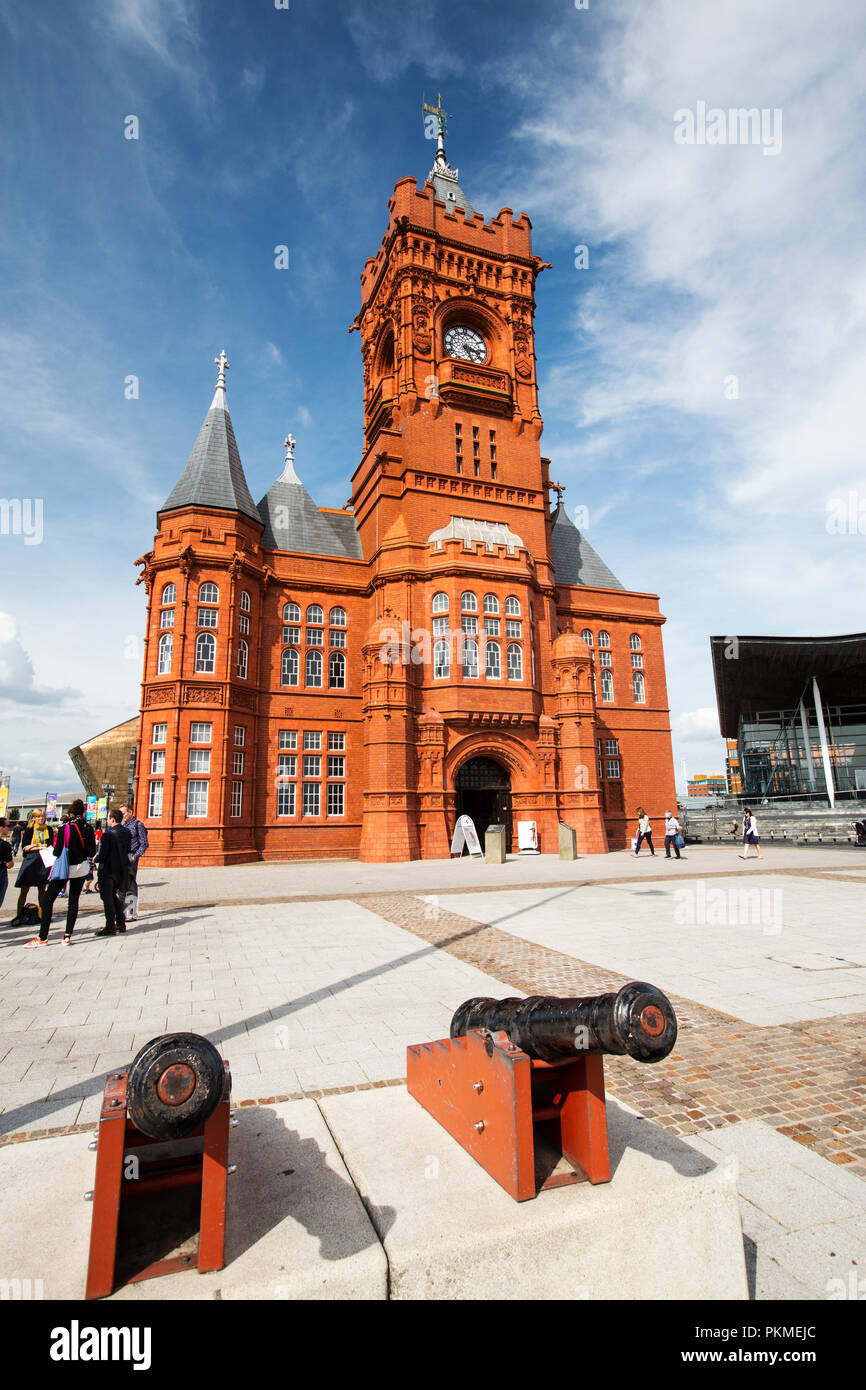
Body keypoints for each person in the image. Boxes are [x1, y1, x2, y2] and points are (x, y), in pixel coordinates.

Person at [26, 799, 97, 947]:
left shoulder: (66, 828)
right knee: (73, 900)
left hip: (66, 867)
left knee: (48, 900)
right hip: (82, 868)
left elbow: (58, 851)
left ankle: (43, 937)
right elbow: (91, 851)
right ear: (82, 812)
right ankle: (67, 936)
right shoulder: (89, 828)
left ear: (71, 813)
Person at [11, 810, 54, 926]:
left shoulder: (48, 829)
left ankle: (43, 914)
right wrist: (39, 845)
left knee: (42, 889)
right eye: (38, 817)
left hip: (43, 860)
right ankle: (19, 915)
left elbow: (49, 845)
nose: (41, 819)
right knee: (24, 889)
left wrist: (34, 846)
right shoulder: (30, 829)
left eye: (42, 816)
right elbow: (25, 847)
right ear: (34, 818)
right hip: (31, 861)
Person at [95, 809, 132, 937]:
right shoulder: (127, 832)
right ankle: (121, 923)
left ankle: (110, 925)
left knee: (107, 898)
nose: (108, 820)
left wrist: (96, 858)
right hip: (121, 870)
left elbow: (103, 855)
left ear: (112, 819)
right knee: (112, 896)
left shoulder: (107, 834)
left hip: (108, 870)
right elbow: (128, 849)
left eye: (108, 818)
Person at [119, 804, 148, 919]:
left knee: (130, 883)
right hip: (121, 856)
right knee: (120, 884)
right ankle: (122, 911)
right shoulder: (122, 825)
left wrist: (135, 857)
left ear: (130, 812)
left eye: (124, 813)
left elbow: (144, 843)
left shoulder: (138, 825)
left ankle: (131, 912)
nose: (122, 816)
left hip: (131, 855)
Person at [0, 823, 13, 911]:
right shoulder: (4, 845)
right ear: (1, 828)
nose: (9, 828)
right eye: (8, 826)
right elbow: (9, 864)